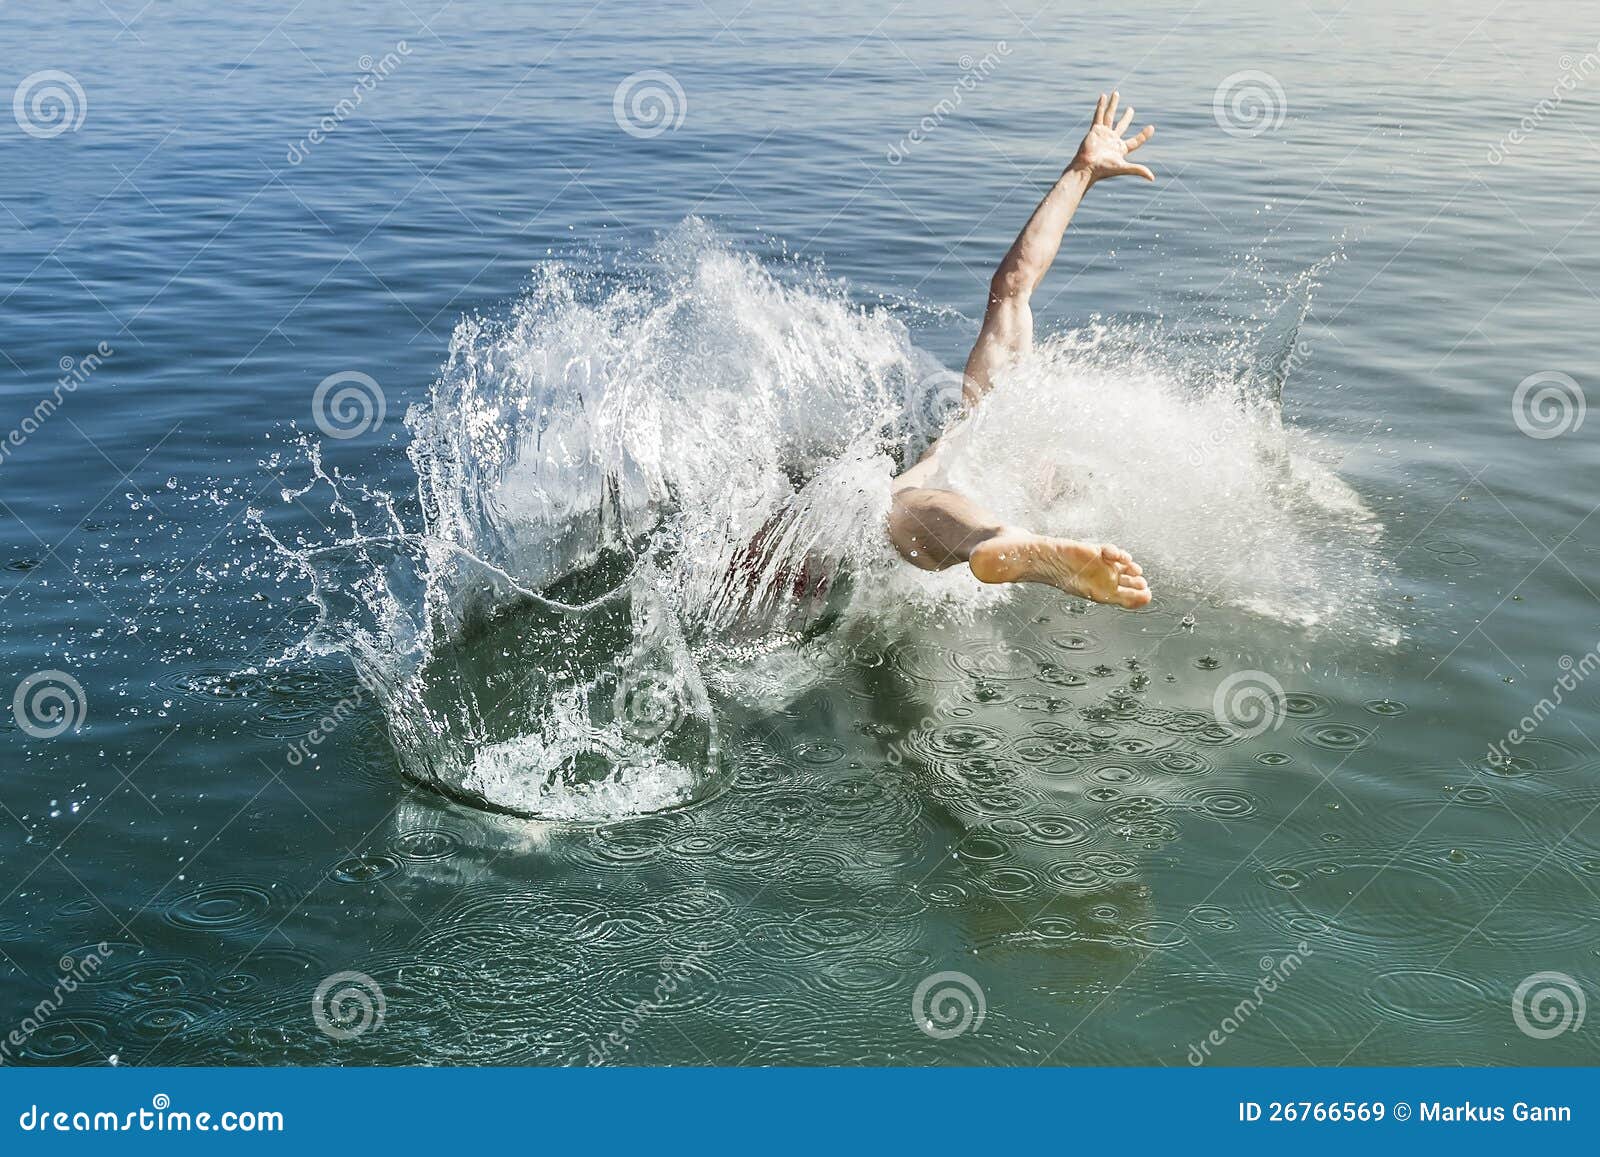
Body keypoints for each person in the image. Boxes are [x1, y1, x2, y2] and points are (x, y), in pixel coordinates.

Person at [888, 92, 1154, 609]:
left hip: (966, 502)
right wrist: (1084, 170)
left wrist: (1080, 170)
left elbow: (1012, 283)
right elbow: (1014, 284)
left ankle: (999, 542)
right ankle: (1005, 544)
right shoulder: (1049, 434)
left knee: (898, 505)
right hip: (1030, 507)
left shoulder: (986, 410)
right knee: (917, 502)